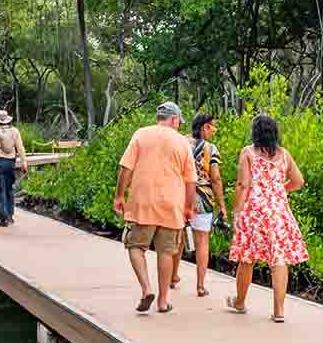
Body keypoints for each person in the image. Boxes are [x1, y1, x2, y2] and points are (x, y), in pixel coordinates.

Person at [113, 102, 197, 314]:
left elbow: (125, 168)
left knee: (135, 246)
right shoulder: (183, 142)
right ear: (175, 119)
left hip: (143, 202)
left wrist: (119, 195)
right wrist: (188, 207)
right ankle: (162, 301)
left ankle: (146, 289)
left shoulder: (141, 135)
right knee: (166, 252)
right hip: (172, 205)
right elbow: (190, 182)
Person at [226, 115, 308, 321]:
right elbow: (298, 181)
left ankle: (240, 302)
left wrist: (236, 211)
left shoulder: (248, 153)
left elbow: (243, 185)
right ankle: (279, 311)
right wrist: (279, 191)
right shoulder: (284, 155)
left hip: (254, 210)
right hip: (279, 210)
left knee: (247, 257)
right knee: (279, 259)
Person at [186, 113, 228, 298]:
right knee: (202, 241)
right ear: (204, 127)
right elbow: (216, 178)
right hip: (203, 198)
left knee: (178, 237)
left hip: (180, 196)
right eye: (213, 127)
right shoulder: (210, 149)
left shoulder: (182, 144)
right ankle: (200, 286)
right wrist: (222, 205)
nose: (214, 131)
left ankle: (172, 277)